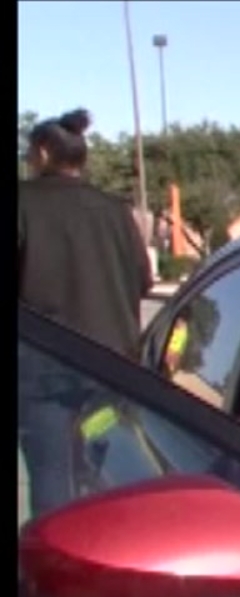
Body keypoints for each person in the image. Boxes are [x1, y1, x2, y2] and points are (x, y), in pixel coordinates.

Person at [18, 108, 153, 519]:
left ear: (42, 152)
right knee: (99, 469)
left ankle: (57, 570)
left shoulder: (24, 203)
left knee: (52, 476)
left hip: (44, 377)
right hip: (110, 373)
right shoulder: (115, 211)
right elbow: (143, 281)